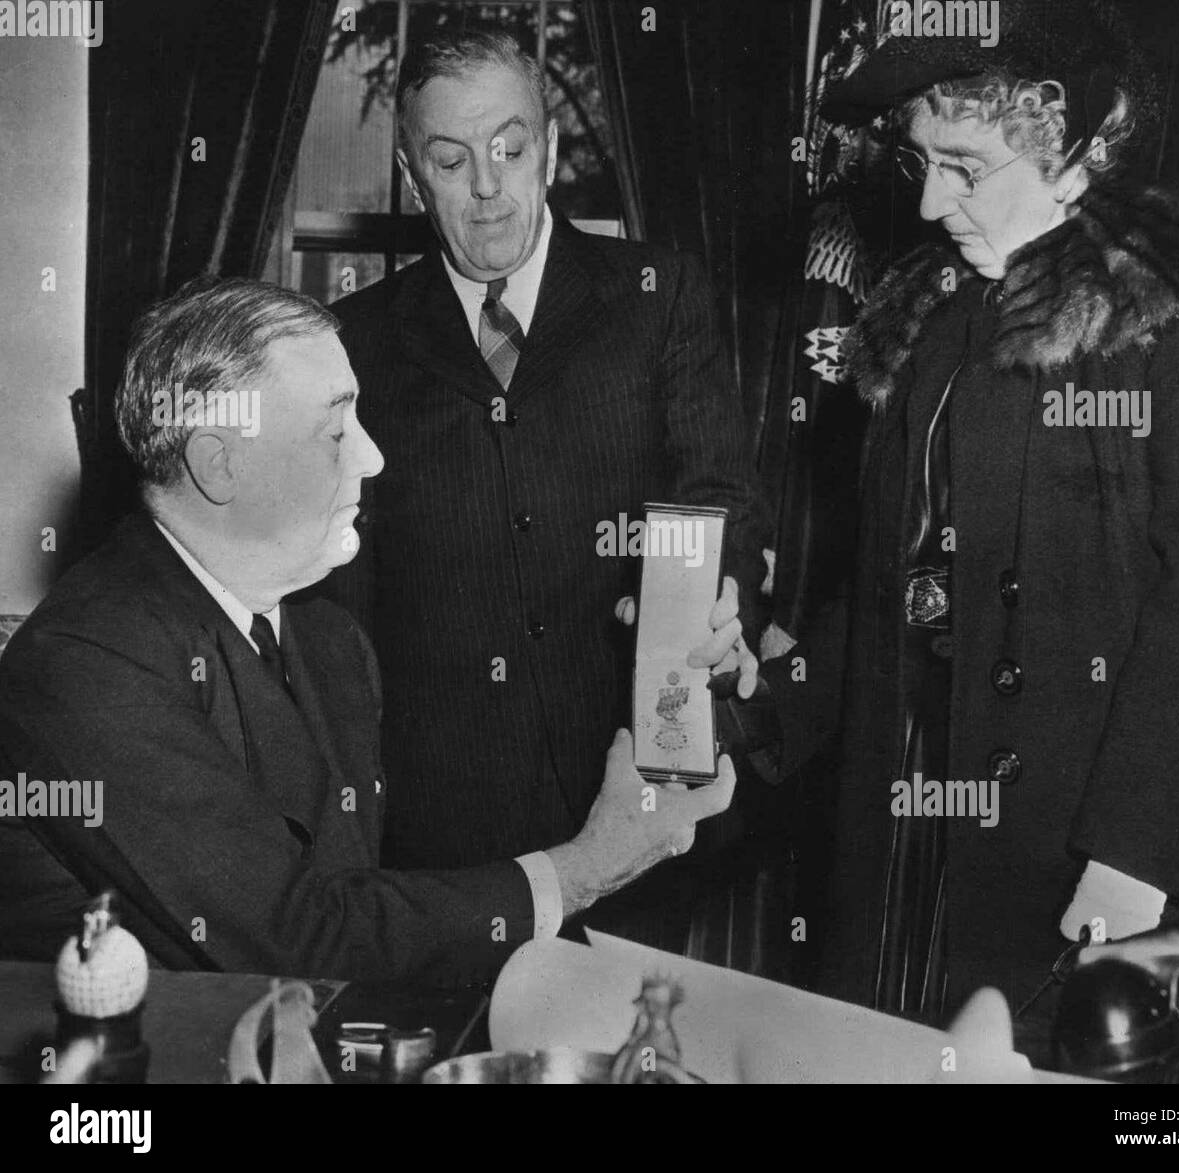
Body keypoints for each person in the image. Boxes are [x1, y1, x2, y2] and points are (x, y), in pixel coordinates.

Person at [763, 0, 1179, 1045]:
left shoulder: (1176, 312)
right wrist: (756, 713)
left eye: (963, 167)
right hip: (920, 841)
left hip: (1114, 854)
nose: (927, 206)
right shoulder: (926, 315)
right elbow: (887, 587)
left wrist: (1133, 856)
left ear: (1070, 153)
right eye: (922, 163)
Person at [0, 277, 735, 981]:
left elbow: (404, 887)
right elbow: (294, 937)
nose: (372, 456)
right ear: (219, 464)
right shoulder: (82, 662)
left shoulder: (330, 641)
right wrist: (584, 869)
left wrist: (672, 666)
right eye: (334, 429)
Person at [327, 29, 765, 919]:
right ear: (414, 179)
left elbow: (721, 501)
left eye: (510, 149)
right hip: (442, 840)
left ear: (551, 150)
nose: (487, 187)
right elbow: (342, 614)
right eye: (452, 161)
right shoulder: (352, 342)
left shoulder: (659, 296)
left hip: (638, 791)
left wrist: (722, 612)